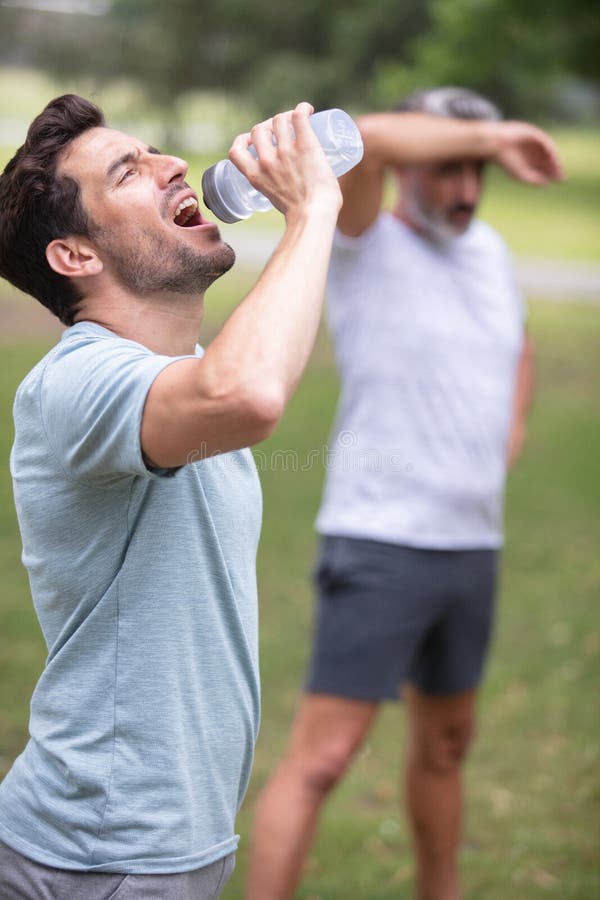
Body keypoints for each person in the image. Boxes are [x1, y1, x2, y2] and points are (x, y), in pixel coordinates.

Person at [0, 94, 342, 899]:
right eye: (128, 171)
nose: (174, 166)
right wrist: (309, 212)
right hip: (96, 856)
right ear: (75, 255)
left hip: (163, 848)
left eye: (154, 150)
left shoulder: (179, 375)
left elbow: (234, 381)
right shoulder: (76, 382)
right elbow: (249, 393)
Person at [247, 87, 563, 900]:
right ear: (414, 165)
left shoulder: (489, 253)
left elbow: (520, 347)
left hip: (472, 544)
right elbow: (370, 136)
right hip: (380, 541)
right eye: (448, 167)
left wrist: (512, 427)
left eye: (476, 173)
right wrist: (494, 136)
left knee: (447, 747)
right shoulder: (363, 238)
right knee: (322, 759)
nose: (465, 189)